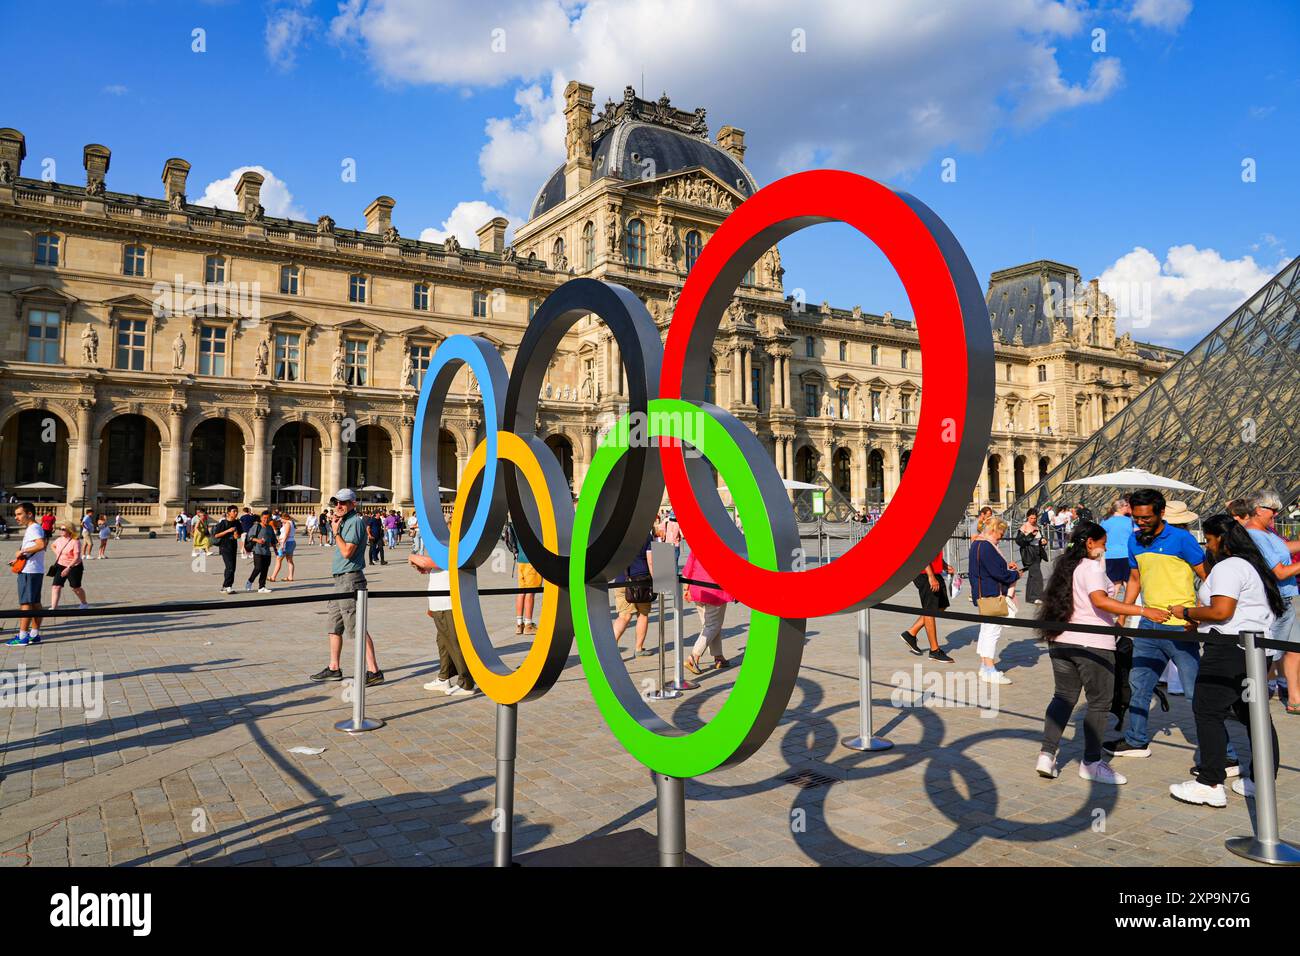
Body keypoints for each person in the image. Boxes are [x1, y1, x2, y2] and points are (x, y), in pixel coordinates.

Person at [1036, 522, 1172, 785]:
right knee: (1099, 703)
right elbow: (1100, 600)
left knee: (1063, 697)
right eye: (1103, 542)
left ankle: (1047, 753)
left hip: (1062, 640)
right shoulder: (1091, 568)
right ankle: (1091, 763)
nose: (1106, 547)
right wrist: (1144, 611)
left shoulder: (1066, 566)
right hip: (1093, 644)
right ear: (1090, 543)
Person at [1168, 514, 1284, 807]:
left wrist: (1188, 613)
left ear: (1220, 539)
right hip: (1255, 649)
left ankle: (1209, 782)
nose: (1207, 547)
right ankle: (1261, 779)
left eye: (1208, 540)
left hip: (1229, 649)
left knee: (1206, 709)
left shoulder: (1229, 567)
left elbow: (1221, 611)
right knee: (1252, 715)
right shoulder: (1254, 566)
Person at [1105, 488, 1212, 761]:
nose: (1140, 522)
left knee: (1193, 693)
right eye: (1136, 518)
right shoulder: (1134, 540)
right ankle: (1136, 740)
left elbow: (1208, 579)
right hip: (1147, 626)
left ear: (1161, 513)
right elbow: (1134, 579)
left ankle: (1223, 752)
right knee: (1139, 686)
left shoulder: (1183, 539)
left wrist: (1199, 615)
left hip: (1180, 626)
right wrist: (1122, 618)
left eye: (1146, 518)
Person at [311, 490, 382, 686]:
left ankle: (373, 670)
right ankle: (334, 667)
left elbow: (347, 552)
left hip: (351, 580)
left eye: (342, 503)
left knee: (356, 626)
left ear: (352, 503)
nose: (338, 506)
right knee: (333, 625)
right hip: (340, 581)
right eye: (336, 503)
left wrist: (335, 532)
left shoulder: (355, 522)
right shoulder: (344, 521)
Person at [1242, 488, 1300, 714]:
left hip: (1286, 599)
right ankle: (1255, 703)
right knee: (1267, 656)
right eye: (1273, 511)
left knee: (1292, 650)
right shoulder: (1255, 536)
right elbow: (1281, 572)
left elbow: (1284, 548)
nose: (1276, 515)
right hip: (1275, 600)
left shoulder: (1266, 533)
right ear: (1258, 510)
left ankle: (1294, 697)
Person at [409, 549, 475, 697]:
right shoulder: (446, 544)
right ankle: (444, 677)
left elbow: (431, 561)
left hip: (447, 603)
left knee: (454, 642)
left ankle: (466, 682)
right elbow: (436, 566)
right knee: (443, 642)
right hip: (440, 602)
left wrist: (412, 557)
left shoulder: (455, 545)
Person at [969, 518, 1020, 683]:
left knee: (986, 630)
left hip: (983, 592)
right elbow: (997, 573)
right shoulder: (987, 547)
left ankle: (985, 666)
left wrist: (1006, 568)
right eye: (1000, 534)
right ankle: (990, 669)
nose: (1001, 538)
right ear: (992, 530)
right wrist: (1015, 574)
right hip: (991, 593)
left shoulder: (977, 544)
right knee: (992, 632)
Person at [682, 546, 734, 674]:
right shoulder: (724, 546)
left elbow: (688, 567)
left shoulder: (699, 544)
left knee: (710, 626)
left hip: (698, 590)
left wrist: (686, 588)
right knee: (713, 626)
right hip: (715, 591)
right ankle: (693, 657)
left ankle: (718, 657)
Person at [901, 551, 956, 663]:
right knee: (930, 610)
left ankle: (911, 633)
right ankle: (934, 650)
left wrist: (944, 565)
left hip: (933, 570)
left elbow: (933, 551)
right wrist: (930, 576)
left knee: (942, 605)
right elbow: (921, 552)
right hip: (924, 572)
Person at [7, 502, 48, 646]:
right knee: (35, 603)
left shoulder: (33, 528)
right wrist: (19, 558)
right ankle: (34, 634)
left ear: (29, 514)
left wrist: (22, 552)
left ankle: (23, 636)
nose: (16, 517)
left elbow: (41, 545)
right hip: (34, 569)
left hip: (29, 571)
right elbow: (37, 547)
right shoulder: (35, 527)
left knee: (25, 603)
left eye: (19, 514)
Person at [612, 528, 657, 657]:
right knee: (643, 614)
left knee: (624, 616)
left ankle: (611, 648)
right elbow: (651, 561)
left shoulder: (620, 535)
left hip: (621, 579)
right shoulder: (646, 536)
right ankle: (638, 648)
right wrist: (656, 580)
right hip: (642, 581)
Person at [47, 521, 90, 613]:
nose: (61, 531)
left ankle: (84, 603)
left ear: (69, 530)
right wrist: (58, 554)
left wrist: (69, 568)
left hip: (74, 566)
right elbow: (52, 545)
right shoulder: (59, 539)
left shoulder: (75, 541)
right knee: (56, 586)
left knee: (75, 587)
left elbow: (77, 558)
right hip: (60, 565)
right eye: (60, 529)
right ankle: (54, 607)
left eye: (63, 529)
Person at [1014, 508, 1047, 604]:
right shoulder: (1024, 527)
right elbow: (1019, 541)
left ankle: (1030, 597)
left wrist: (1043, 541)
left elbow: (1039, 538)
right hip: (1029, 553)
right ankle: (1037, 596)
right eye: (1031, 518)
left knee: (1032, 575)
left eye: (1035, 518)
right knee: (1037, 575)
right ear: (1028, 517)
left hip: (1037, 552)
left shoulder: (1037, 526)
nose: (1033, 520)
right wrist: (1031, 535)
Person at [1100, 496, 1135, 586]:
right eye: (1126, 505)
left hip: (1110, 555)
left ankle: (1112, 600)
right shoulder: (1129, 521)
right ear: (1120, 508)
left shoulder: (1105, 521)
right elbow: (1137, 534)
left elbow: (1099, 535)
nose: (1128, 507)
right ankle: (1129, 601)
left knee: (1114, 584)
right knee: (1128, 583)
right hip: (1127, 554)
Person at [513, 528, 540, 634]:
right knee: (530, 593)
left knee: (521, 592)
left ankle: (519, 624)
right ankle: (528, 624)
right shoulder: (532, 522)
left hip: (520, 560)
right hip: (531, 561)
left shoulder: (517, 521)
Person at [244, 511, 277, 593]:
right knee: (258, 568)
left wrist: (276, 550)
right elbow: (249, 537)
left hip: (267, 552)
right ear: (261, 518)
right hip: (257, 551)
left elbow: (273, 540)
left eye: (268, 518)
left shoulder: (269, 527)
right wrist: (258, 540)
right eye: (264, 518)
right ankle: (249, 581)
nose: (266, 519)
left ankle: (261, 587)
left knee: (265, 569)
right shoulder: (257, 526)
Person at [211, 505, 242, 593]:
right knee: (230, 567)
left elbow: (237, 536)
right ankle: (227, 586)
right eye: (234, 511)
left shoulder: (237, 523)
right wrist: (228, 531)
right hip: (224, 547)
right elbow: (216, 535)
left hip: (233, 546)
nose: (236, 513)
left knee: (232, 567)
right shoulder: (223, 523)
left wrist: (236, 533)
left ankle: (226, 586)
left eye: (236, 511)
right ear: (228, 513)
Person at [269, 512, 296, 582]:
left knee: (278, 559)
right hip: (291, 542)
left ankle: (273, 577)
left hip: (286, 543)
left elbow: (286, 534)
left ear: (284, 518)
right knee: (289, 560)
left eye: (281, 518)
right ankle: (290, 576)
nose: (280, 520)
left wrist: (282, 544)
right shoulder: (291, 523)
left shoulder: (287, 524)